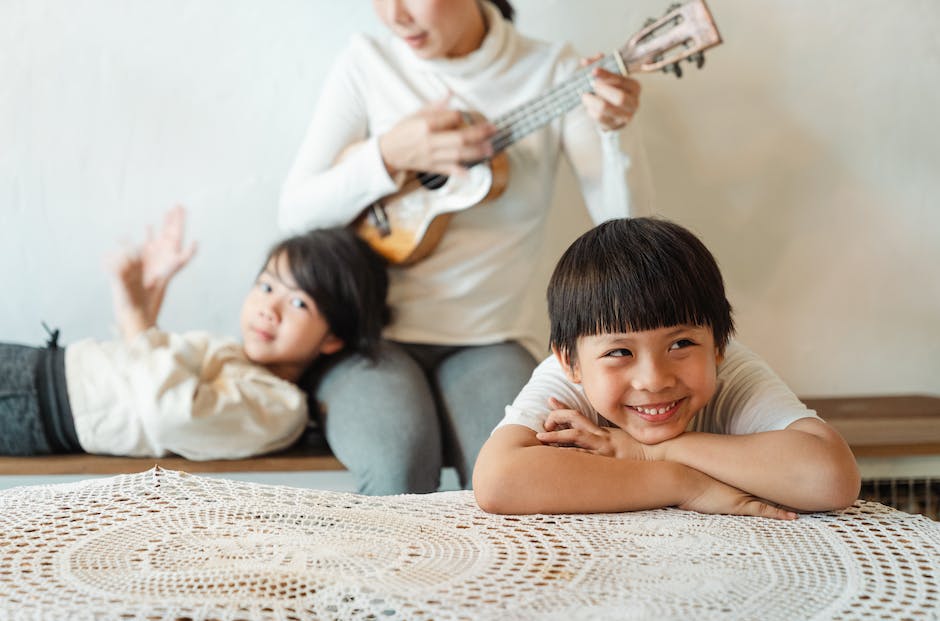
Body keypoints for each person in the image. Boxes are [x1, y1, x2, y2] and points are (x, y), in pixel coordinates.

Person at [279, 0, 645, 494]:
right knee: (398, 464)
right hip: (370, 335)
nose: (394, 15)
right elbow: (296, 214)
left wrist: (613, 132)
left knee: (519, 476)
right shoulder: (368, 63)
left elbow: (629, 231)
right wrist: (386, 156)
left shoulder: (553, 72)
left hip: (488, 337)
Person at [473, 217, 861, 517]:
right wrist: (684, 483)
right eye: (620, 352)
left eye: (681, 344)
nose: (654, 380)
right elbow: (498, 481)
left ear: (718, 347)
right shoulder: (565, 384)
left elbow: (829, 479)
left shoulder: (733, 373)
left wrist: (650, 451)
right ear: (569, 361)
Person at [0, 206, 389, 460]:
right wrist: (145, 305)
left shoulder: (280, 406)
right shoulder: (236, 357)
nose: (268, 310)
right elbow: (143, 371)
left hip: (36, 405)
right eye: (267, 287)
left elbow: (170, 414)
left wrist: (137, 319)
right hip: (34, 365)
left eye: (299, 303)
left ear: (333, 337)